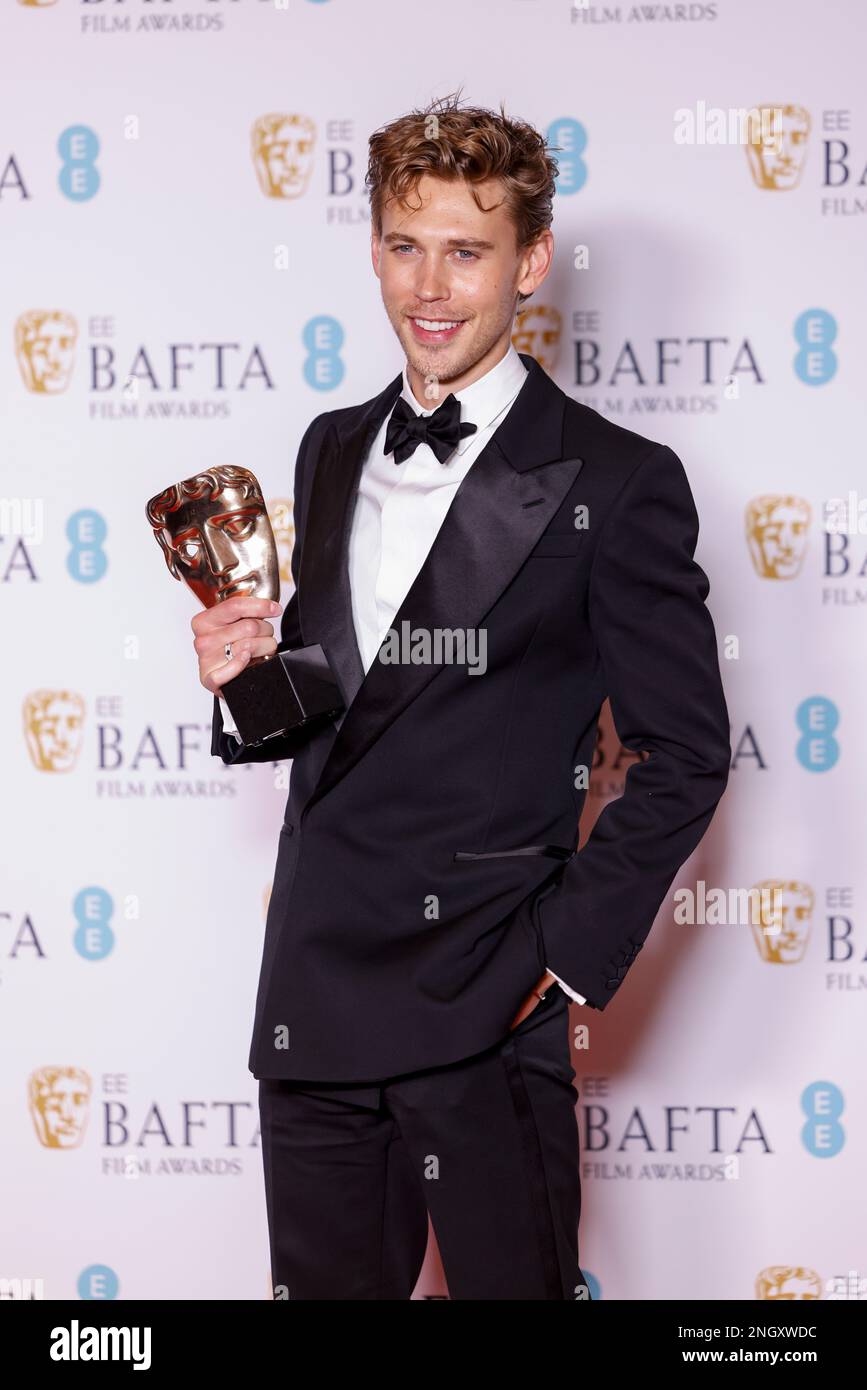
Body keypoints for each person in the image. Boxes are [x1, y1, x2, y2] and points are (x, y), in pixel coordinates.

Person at [190, 93, 731, 1300]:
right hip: (318, 997)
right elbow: (350, 707)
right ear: (374, 245)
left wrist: (559, 955)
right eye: (403, 243)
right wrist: (247, 687)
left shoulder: (618, 479)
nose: (429, 286)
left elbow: (688, 752)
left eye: (467, 249)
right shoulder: (330, 447)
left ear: (529, 262)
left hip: (486, 1004)